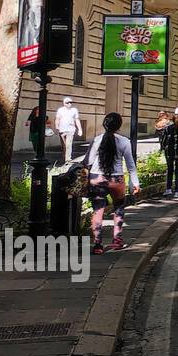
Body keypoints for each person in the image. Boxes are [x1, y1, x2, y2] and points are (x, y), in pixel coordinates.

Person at [84, 112, 140, 255]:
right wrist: (135, 183)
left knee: (98, 211)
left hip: (97, 178)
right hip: (116, 179)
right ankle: (117, 240)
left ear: (104, 124)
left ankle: (97, 245)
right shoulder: (124, 141)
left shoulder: (97, 140)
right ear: (119, 126)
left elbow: (88, 162)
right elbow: (130, 165)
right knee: (119, 208)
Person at [155, 109, 178, 197]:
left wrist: (162, 148)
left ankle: (168, 189)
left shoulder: (167, 128)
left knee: (170, 169)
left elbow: (163, 140)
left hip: (169, 152)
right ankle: (177, 191)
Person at [55, 97, 83, 162]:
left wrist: (80, 129)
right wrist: (57, 126)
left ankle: (68, 159)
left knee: (68, 144)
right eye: (67, 102)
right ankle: (64, 156)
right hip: (62, 130)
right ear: (64, 103)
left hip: (70, 130)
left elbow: (77, 120)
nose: (69, 104)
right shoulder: (60, 110)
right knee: (64, 145)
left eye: (70, 102)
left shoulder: (74, 110)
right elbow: (57, 119)